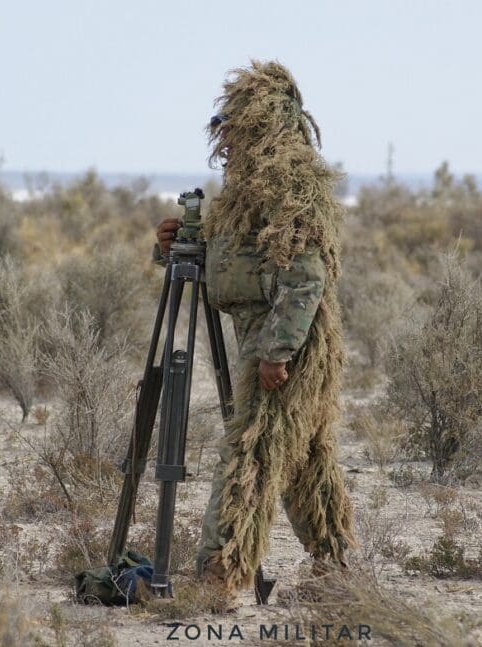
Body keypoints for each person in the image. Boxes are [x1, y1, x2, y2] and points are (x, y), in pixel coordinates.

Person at [154, 60, 356, 610]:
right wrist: (173, 248)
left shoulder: (289, 181)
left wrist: (277, 352)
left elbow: (307, 274)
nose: (223, 133)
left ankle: (219, 577)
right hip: (267, 338)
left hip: (288, 344)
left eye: (233, 122)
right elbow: (230, 262)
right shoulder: (248, 188)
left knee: (254, 456)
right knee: (305, 462)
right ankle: (337, 568)